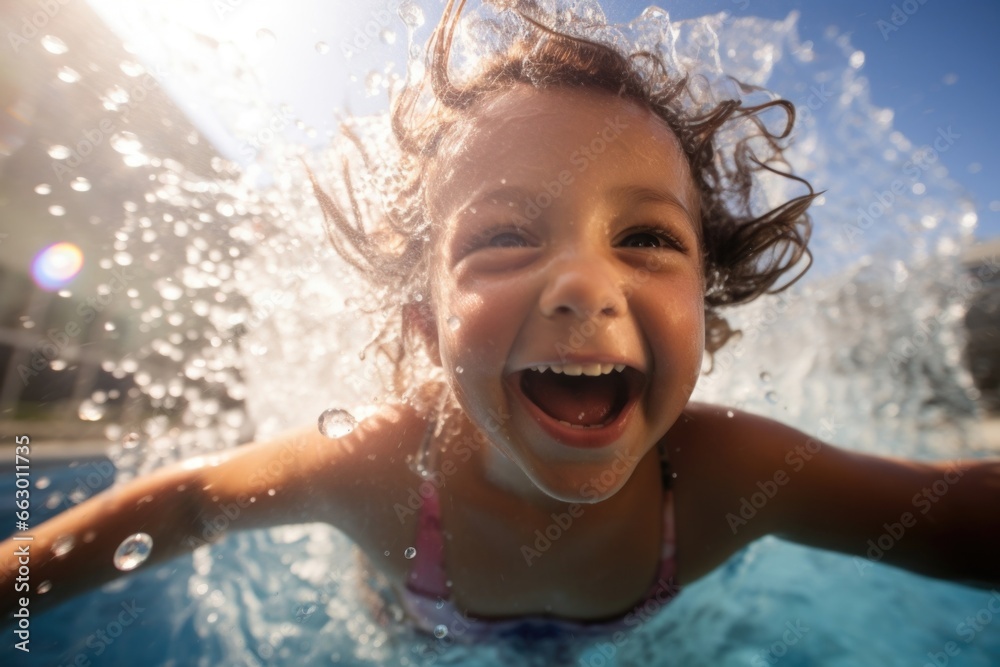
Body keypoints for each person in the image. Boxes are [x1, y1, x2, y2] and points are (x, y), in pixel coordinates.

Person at [3, 0, 998, 648]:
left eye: (645, 237)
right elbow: (180, 505)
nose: (582, 282)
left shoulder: (733, 476)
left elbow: (949, 513)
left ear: (709, 313)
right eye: (505, 237)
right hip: (421, 623)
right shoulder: (381, 468)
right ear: (429, 329)